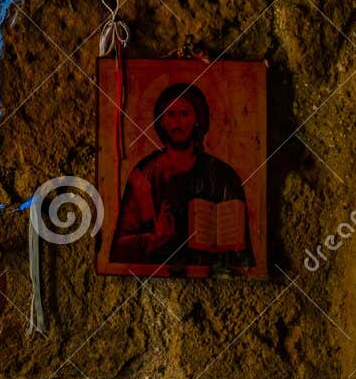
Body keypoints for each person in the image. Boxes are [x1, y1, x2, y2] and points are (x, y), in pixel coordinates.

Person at [108, 82, 253, 270]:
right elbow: (119, 248)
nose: (177, 123)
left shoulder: (222, 176)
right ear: (162, 120)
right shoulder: (145, 175)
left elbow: (241, 255)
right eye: (171, 114)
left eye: (185, 114)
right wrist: (155, 239)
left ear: (197, 119)